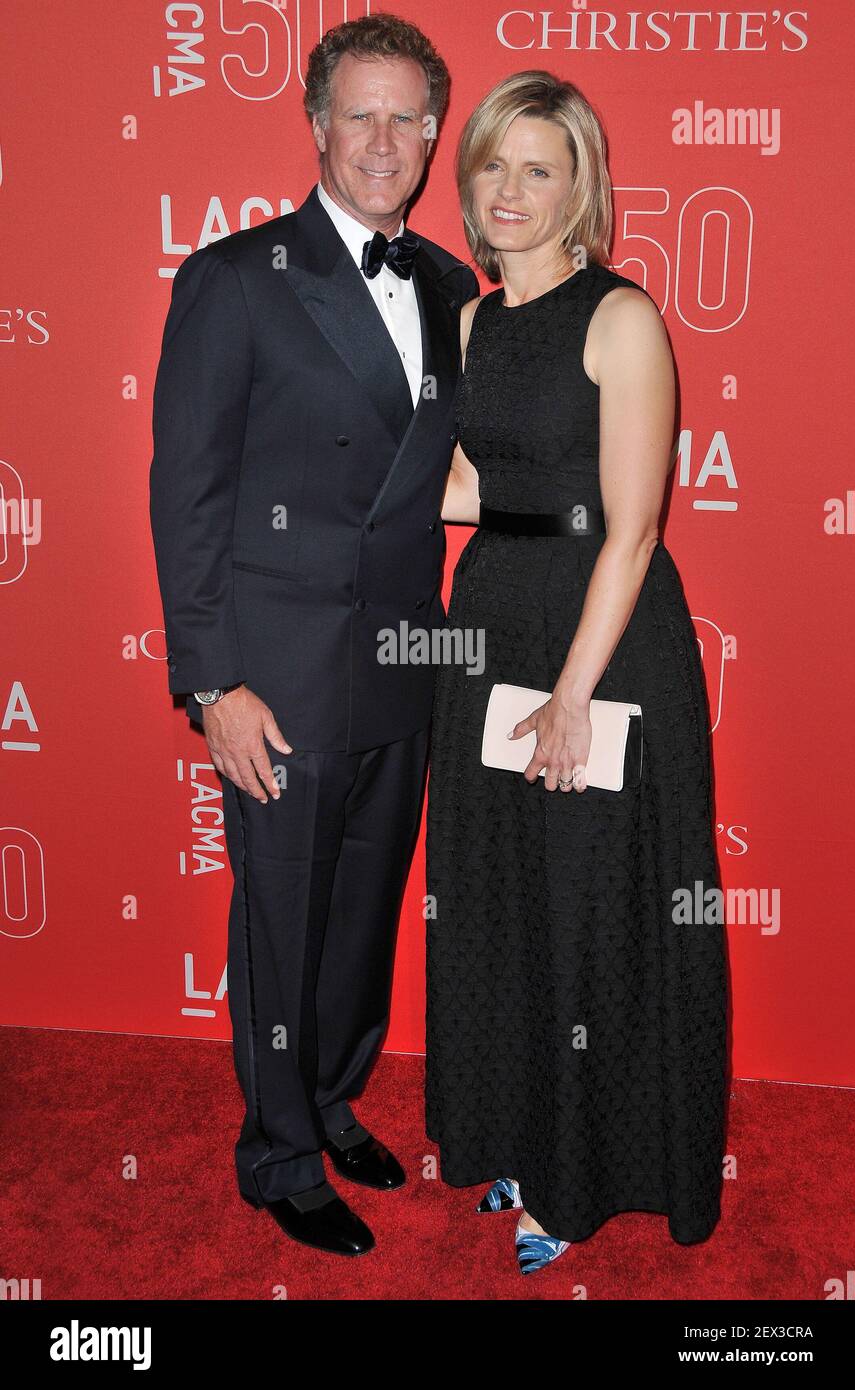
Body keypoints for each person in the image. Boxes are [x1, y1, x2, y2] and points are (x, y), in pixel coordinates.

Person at [149, 14, 478, 1257]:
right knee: (282, 917)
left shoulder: (451, 287)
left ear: (436, 134)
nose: (384, 140)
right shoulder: (237, 278)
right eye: (361, 114)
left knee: (362, 913)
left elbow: (439, 480)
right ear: (315, 124)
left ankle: (331, 1102)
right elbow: (184, 492)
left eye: (408, 117)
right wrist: (212, 678)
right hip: (277, 674)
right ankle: (277, 1152)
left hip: (405, 663)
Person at [425, 70, 730, 1274]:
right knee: (498, 895)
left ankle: (587, 1173)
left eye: (536, 168)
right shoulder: (469, 320)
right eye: (492, 165)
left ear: (579, 188)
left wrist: (571, 696)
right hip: (487, 620)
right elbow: (471, 487)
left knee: (589, 909)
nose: (509, 189)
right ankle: (514, 1133)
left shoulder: (620, 318)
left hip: (598, 640)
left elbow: (634, 524)